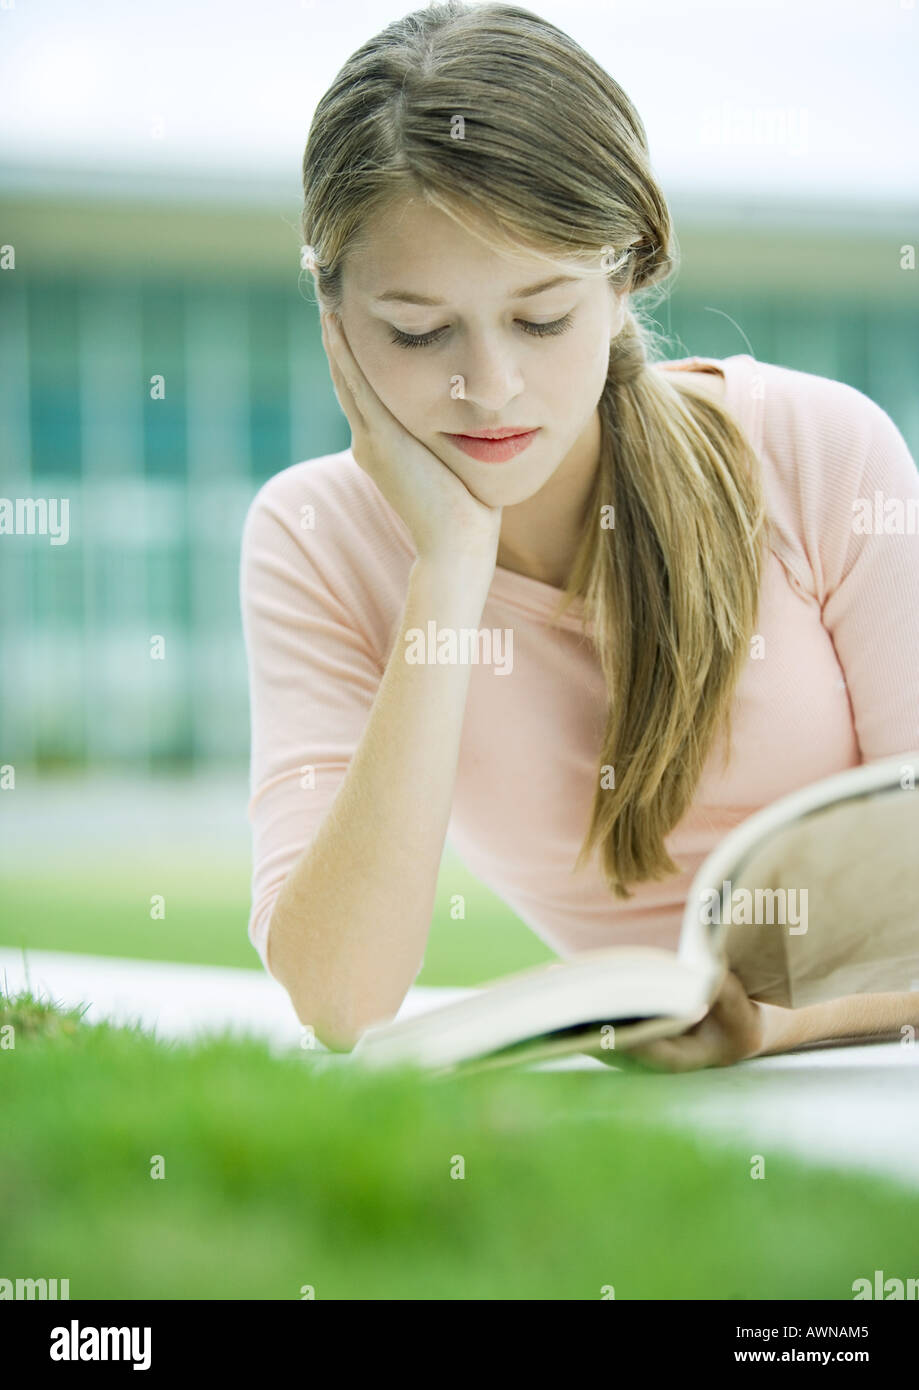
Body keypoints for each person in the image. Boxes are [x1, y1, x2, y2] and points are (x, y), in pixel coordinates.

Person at [240, 1, 919, 1064]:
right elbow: (339, 995)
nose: (489, 388)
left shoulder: (818, 452)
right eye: (418, 331)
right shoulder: (313, 536)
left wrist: (767, 1027)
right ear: (335, 323)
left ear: (625, 277)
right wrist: (451, 563)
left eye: (541, 318)